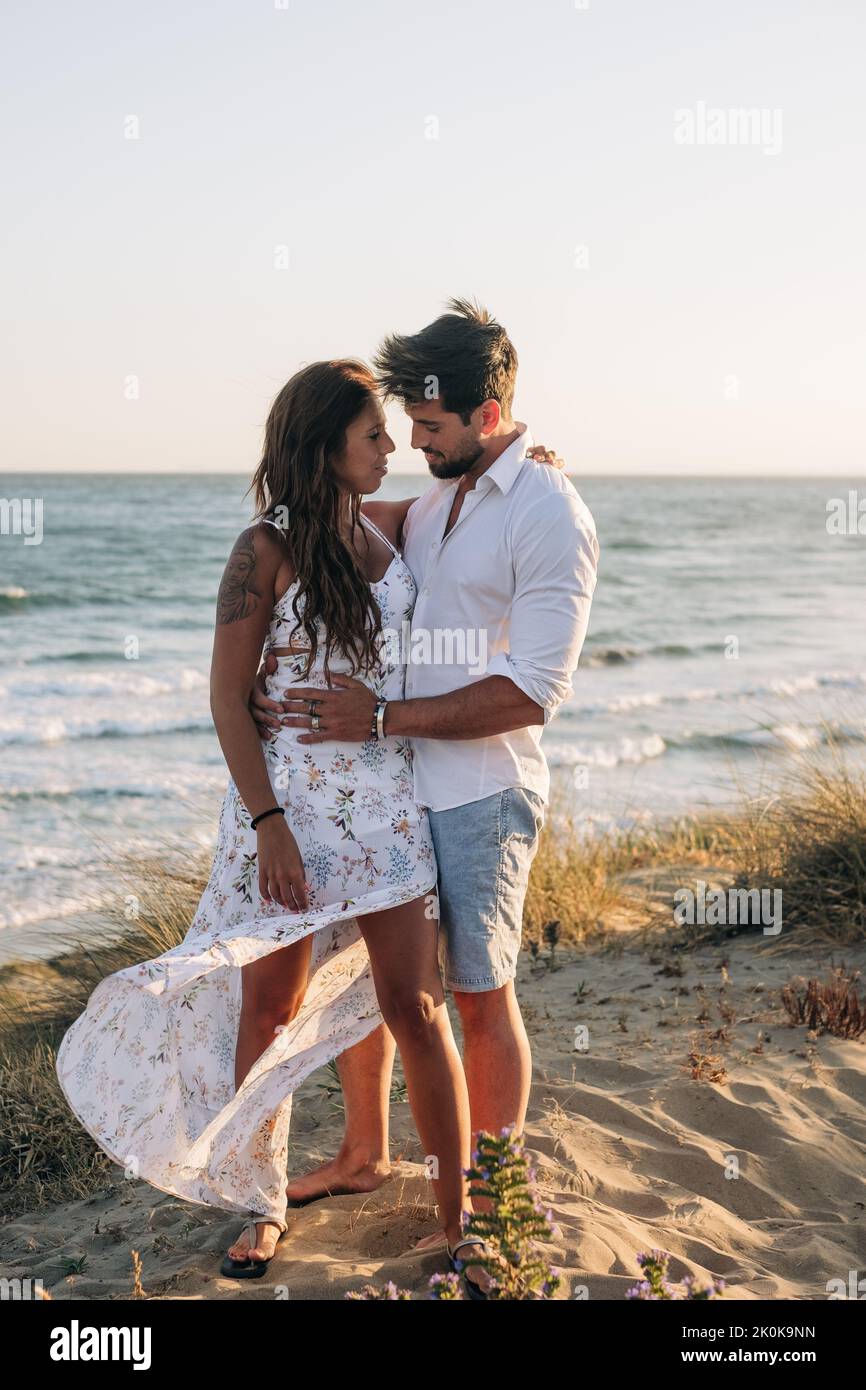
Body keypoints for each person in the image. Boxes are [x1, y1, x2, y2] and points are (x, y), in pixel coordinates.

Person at [55, 358, 494, 1293]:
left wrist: (533, 467)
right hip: (287, 814)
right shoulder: (265, 548)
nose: (391, 449)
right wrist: (268, 824)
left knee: (413, 1006)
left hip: (388, 811)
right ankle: (264, 1203)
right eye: (373, 435)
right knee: (270, 1005)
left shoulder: (389, 528)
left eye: (390, 434)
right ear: (323, 445)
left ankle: (463, 1220)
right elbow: (225, 700)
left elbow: (476, 496)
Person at [252, 299, 599, 1252]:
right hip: (399, 790)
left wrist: (380, 717)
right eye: (400, 424)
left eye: (430, 425)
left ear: (487, 416)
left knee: (479, 1001)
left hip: (482, 794)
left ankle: (492, 1208)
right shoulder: (447, 490)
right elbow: (338, 508)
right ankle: (365, 1152)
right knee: (377, 986)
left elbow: (535, 689)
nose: (411, 441)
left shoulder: (546, 510)